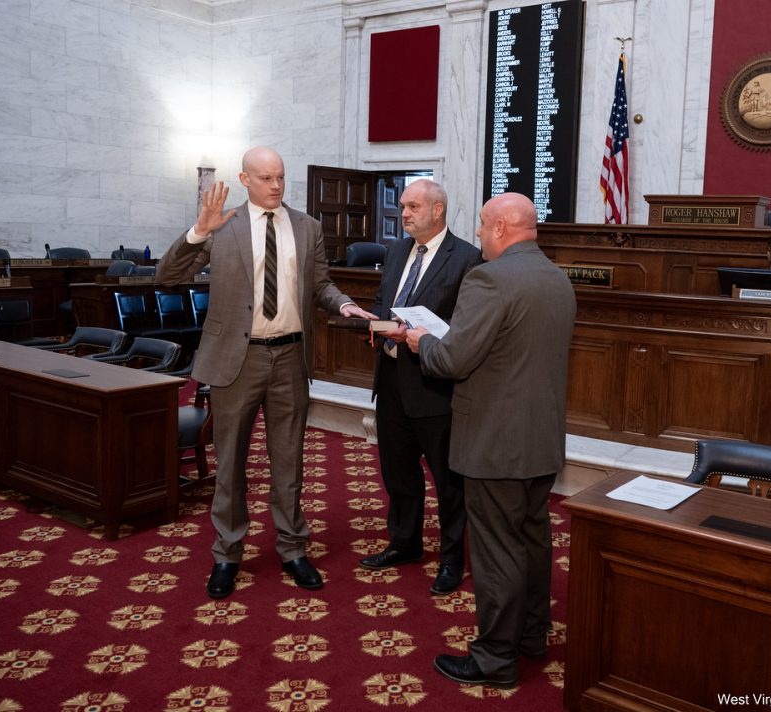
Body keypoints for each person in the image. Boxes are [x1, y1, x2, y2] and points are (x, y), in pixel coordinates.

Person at [156, 146, 374, 600]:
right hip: (237, 359)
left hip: (290, 358)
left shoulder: (307, 226)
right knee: (230, 462)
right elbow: (166, 276)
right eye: (266, 178)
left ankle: (293, 548)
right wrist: (199, 230)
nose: (276, 186)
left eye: (281, 177)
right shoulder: (224, 225)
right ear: (245, 179)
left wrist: (344, 304)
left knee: (289, 460)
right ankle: (227, 554)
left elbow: (320, 285)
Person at [405, 192, 576, 688]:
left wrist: (423, 343)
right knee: (532, 541)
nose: (477, 233)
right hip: (540, 440)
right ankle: (530, 636)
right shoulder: (557, 279)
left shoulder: (489, 278)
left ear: (501, 227)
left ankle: (494, 659)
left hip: (495, 444)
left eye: (481, 225)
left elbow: (453, 360)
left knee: (498, 550)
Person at [359, 179, 482, 595]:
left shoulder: (467, 258)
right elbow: (383, 302)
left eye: (413, 207)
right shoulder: (396, 251)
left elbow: (468, 327)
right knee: (397, 471)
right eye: (404, 206)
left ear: (438, 211)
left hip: (434, 386)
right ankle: (405, 543)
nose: (404, 213)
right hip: (391, 378)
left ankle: (451, 558)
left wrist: (422, 336)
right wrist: (375, 324)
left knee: (448, 481)